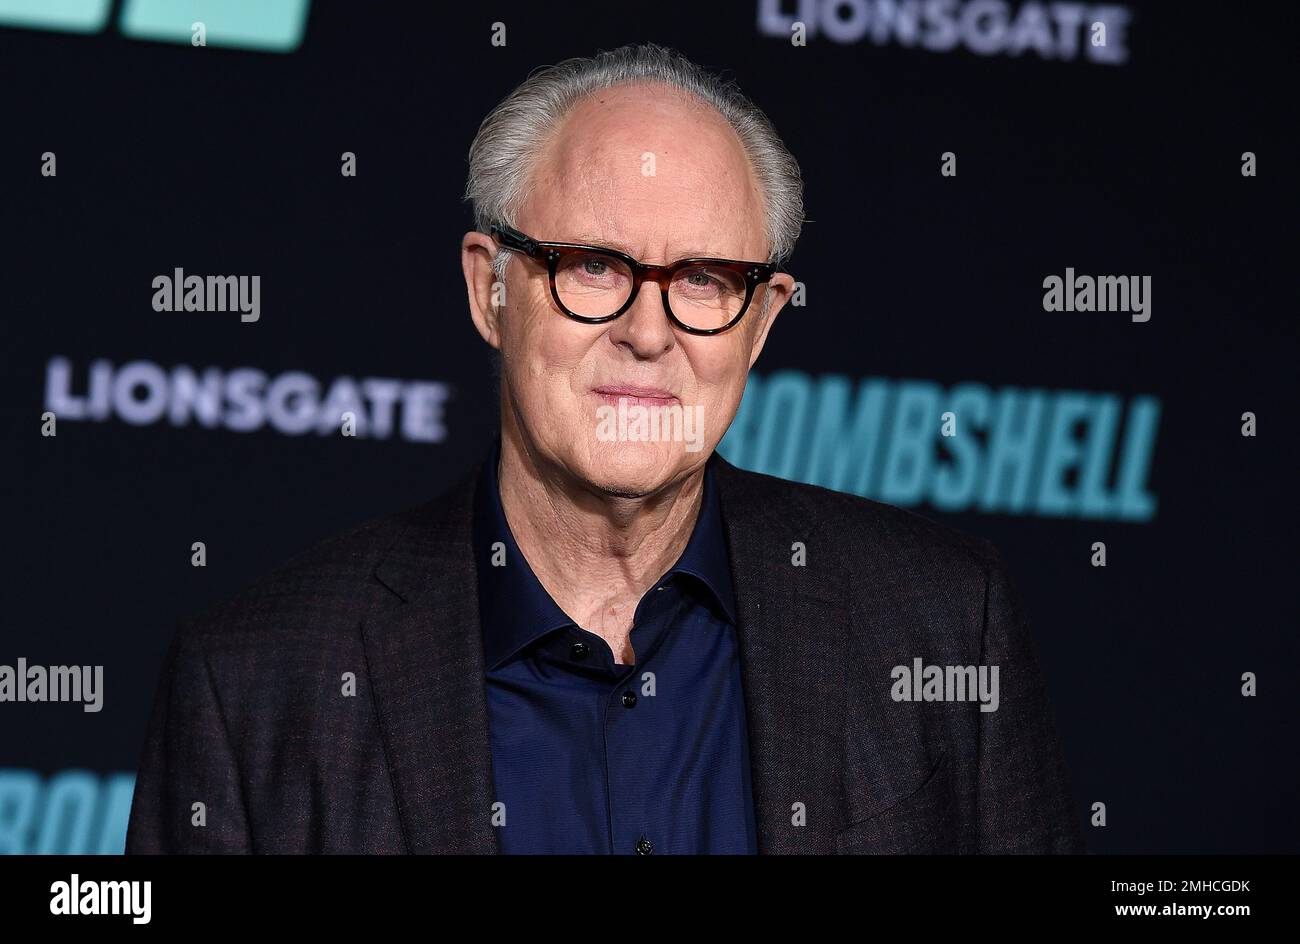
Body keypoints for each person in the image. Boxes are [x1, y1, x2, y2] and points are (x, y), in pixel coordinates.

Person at [126, 42, 1082, 854]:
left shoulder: (948, 626)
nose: (649, 332)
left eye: (703, 279)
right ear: (488, 289)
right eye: (594, 266)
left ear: (762, 325)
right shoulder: (252, 684)